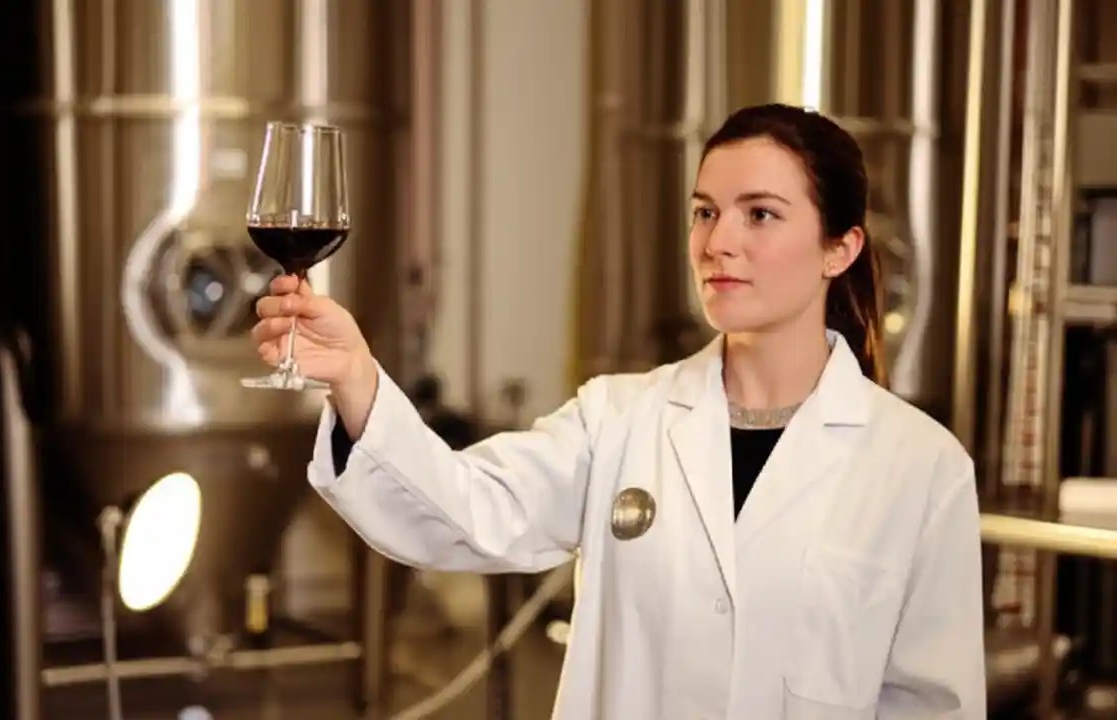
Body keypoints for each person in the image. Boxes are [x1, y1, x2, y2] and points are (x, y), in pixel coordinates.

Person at [252, 103, 986, 719]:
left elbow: (933, 704)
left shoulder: (920, 467)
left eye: (760, 214)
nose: (718, 242)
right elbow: (464, 509)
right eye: (706, 212)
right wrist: (353, 376)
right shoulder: (620, 418)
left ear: (840, 248)